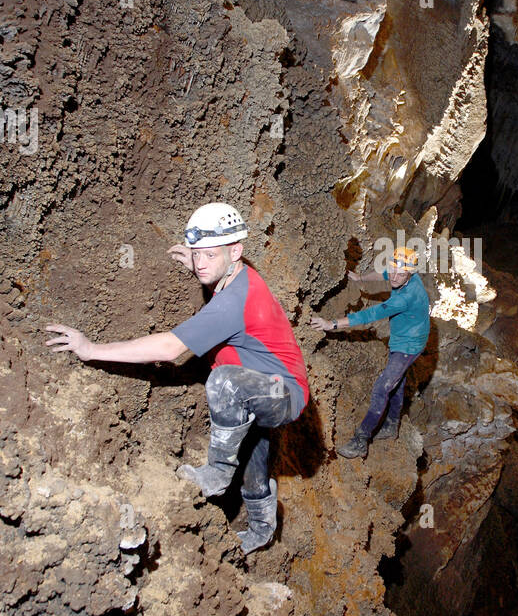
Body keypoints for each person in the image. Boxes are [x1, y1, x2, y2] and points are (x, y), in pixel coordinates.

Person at [45, 202, 309, 554]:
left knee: (224, 384)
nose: (200, 262)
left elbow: (170, 348)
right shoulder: (235, 273)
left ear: (236, 251)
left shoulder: (236, 301)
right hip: (260, 385)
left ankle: (216, 474)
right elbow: (217, 275)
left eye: (209, 255)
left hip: (282, 392)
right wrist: (203, 266)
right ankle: (263, 529)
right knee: (251, 459)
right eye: (197, 254)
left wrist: (91, 349)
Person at [311, 246, 430, 457]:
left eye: (400, 274)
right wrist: (361, 278)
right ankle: (392, 426)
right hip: (407, 336)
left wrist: (332, 324)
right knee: (397, 382)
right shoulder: (402, 274)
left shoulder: (404, 298)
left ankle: (361, 439)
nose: (394, 277)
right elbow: (386, 273)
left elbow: (369, 315)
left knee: (382, 388)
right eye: (393, 270)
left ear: (410, 274)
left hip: (409, 346)